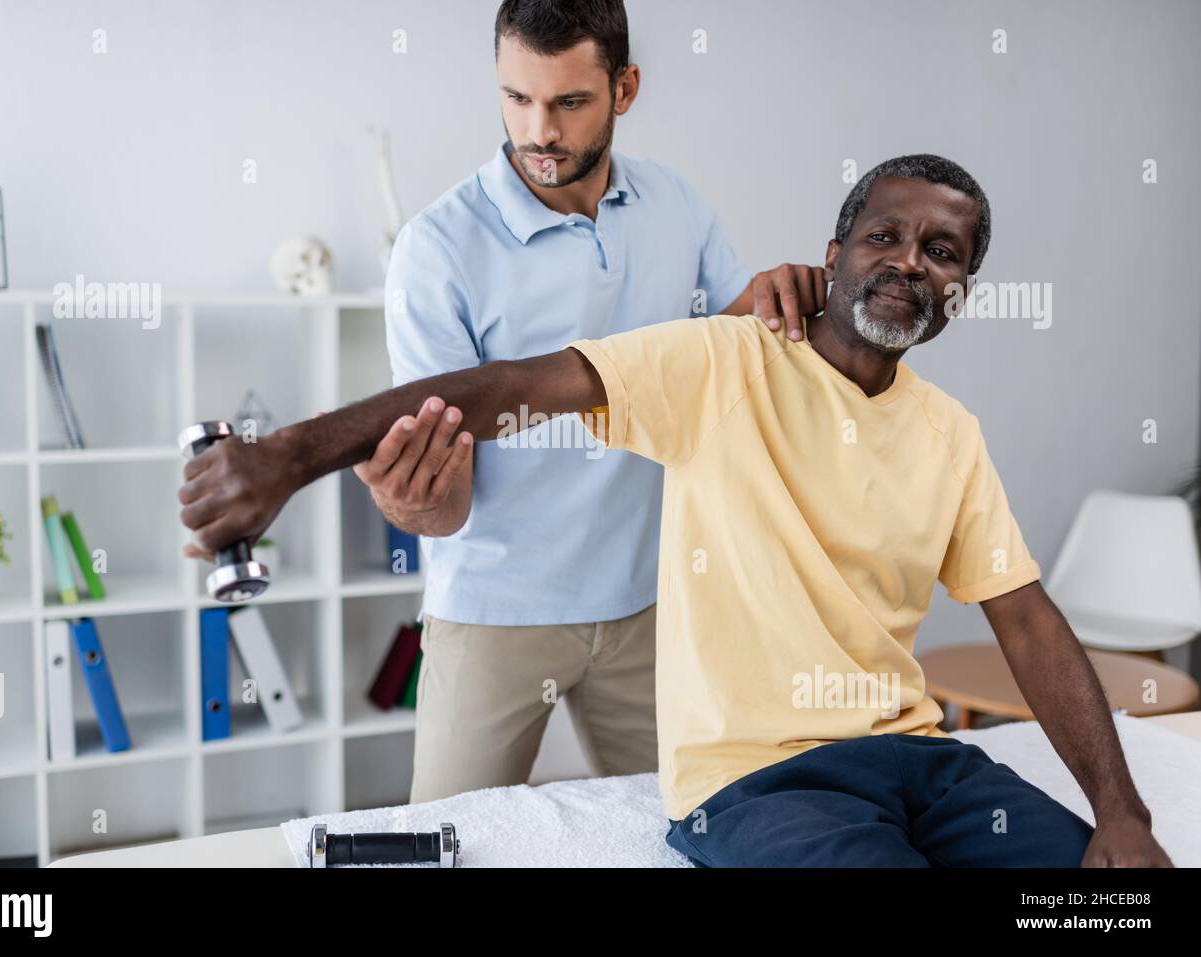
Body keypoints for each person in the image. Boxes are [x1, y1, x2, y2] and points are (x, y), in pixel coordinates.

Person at [178, 153, 1171, 866]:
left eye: (945, 254)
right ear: (832, 253)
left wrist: (1122, 811)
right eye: (888, 236)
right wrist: (288, 457)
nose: (914, 262)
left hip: (919, 762)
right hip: (758, 781)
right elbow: (508, 385)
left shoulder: (950, 432)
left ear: (962, 294)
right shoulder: (720, 360)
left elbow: (1028, 619)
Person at [345, 0, 824, 802]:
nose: (538, 131)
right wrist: (412, 504)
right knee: (451, 843)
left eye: (569, 102)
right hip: (495, 610)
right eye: (516, 98)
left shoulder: (676, 206)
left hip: (647, 599)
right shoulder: (436, 250)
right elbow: (443, 503)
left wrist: (776, 304)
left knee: (695, 825)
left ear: (625, 88)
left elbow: (730, 365)